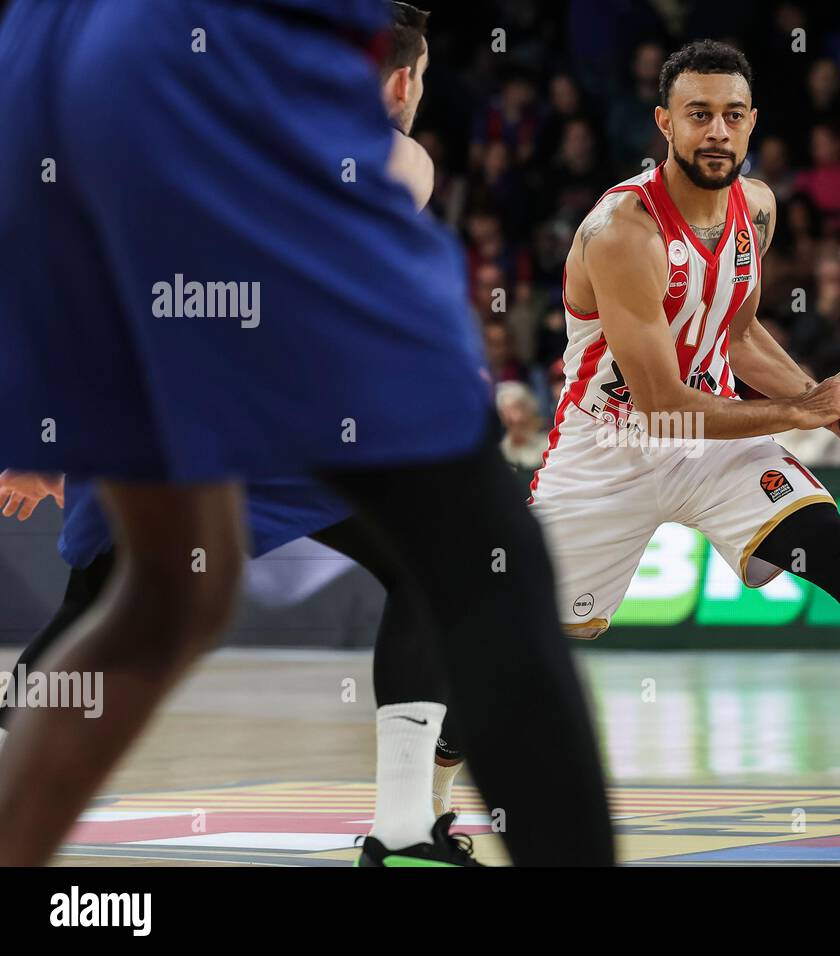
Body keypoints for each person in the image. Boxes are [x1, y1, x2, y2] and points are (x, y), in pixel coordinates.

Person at [0, 0, 613, 866]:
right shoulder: (387, 139)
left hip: (34, 77)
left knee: (159, 594)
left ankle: (401, 823)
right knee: (482, 558)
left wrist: (58, 423)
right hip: (202, 84)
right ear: (405, 83)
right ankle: (409, 824)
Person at [479, 39, 840, 831]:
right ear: (664, 124)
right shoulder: (622, 233)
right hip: (609, 449)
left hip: (716, 441)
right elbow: (658, 404)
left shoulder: (756, 207)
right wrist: (797, 412)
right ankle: (424, 806)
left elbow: (742, 332)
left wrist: (834, 402)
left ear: (751, 123)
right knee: (517, 639)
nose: (716, 131)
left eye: (731, 115)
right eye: (698, 115)